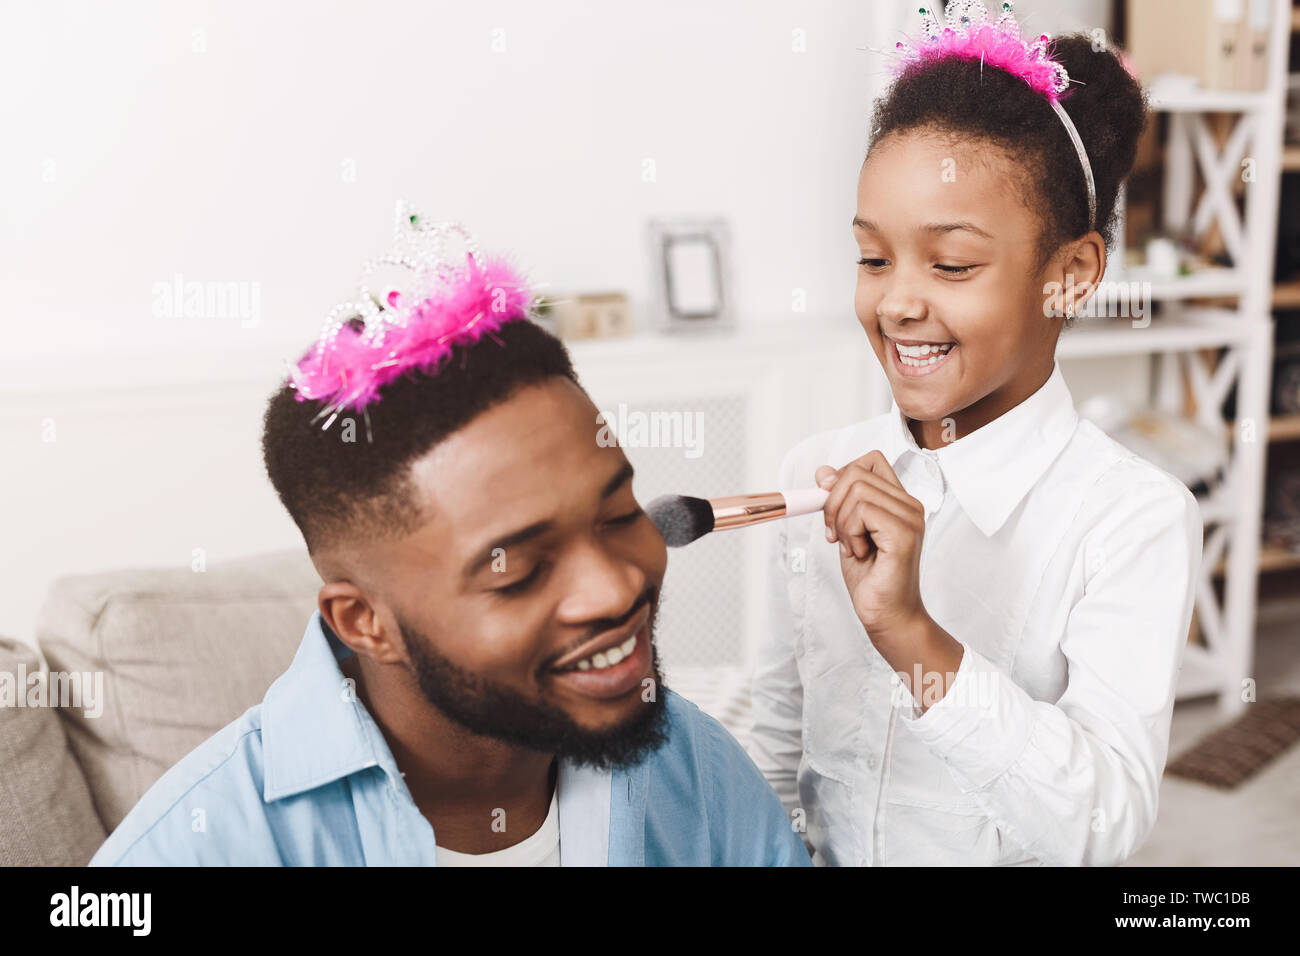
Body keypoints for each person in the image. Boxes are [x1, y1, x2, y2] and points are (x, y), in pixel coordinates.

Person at [91, 212, 810, 867]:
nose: (617, 586)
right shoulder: (195, 848)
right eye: (522, 570)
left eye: (618, 514)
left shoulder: (696, 773)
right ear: (363, 623)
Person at [748, 3, 1203, 866]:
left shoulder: (1130, 521)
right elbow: (780, 730)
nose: (897, 303)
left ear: (1069, 276)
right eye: (874, 258)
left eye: (951, 264)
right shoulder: (814, 471)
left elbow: (1101, 821)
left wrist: (913, 636)